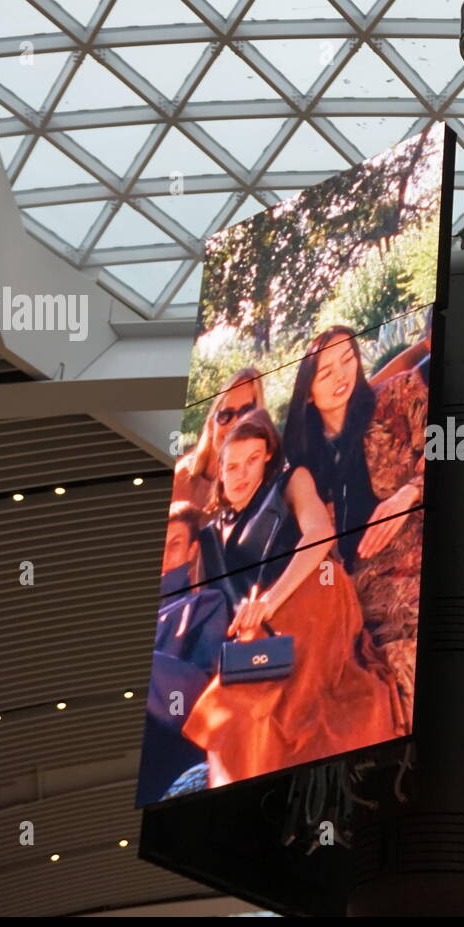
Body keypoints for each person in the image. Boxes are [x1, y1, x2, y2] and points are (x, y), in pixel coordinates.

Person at [180, 413, 402, 787]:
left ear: (268, 457)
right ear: (220, 472)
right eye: (232, 466)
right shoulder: (212, 535)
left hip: (314, 588)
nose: (241, 474)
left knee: (295, 702)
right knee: (240, 706)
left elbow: (319, 533)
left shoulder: (290, 480)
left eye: (252, 460)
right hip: (262, 626)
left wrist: (270, 600)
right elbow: (213, 606)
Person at [284, 326, 427, 719]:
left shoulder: (397, 396)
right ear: (307, 391)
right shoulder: (304, 462)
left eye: (347, 359)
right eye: (326, 371)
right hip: (350, 600)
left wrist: (408, 493)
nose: (341, 375)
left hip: (413, 574)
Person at [137, 501, 227, 803]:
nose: (163, 555)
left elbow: (201, 690)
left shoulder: (206, 605)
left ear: (192, 550)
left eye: (174, 545)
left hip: (167, 741)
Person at [173, 367, 266, 513]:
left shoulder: (260, 491)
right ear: (211, 424)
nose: (234, 424)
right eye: (225, 414)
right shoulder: (182, 476)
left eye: (245, 413)